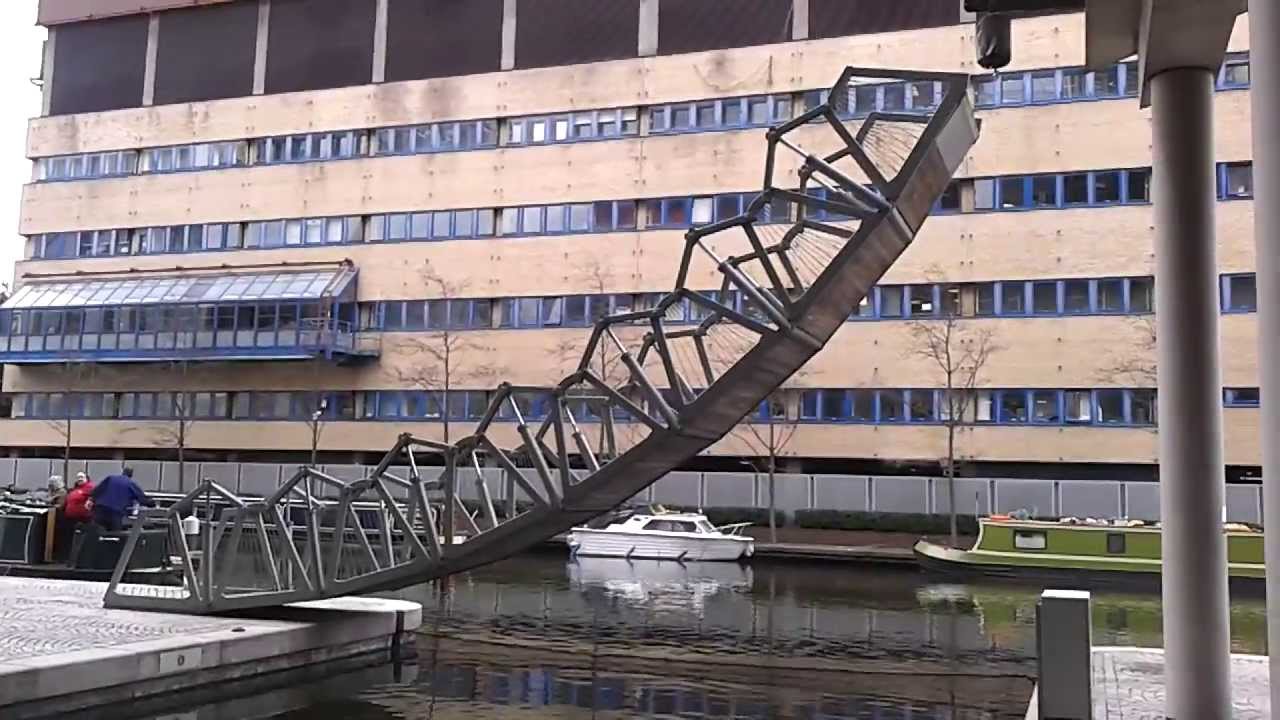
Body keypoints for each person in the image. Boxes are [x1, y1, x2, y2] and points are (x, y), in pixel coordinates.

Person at [91, 467, 155, 532]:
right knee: (115, 535)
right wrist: (152, 503)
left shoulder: (110, 478)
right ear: (131, 475)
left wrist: (93, 500)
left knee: (96, 532)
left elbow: (96, 491)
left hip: (100, 508)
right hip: (115, 512)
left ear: (122, 472)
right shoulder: (131, 484)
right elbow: (142, 499)